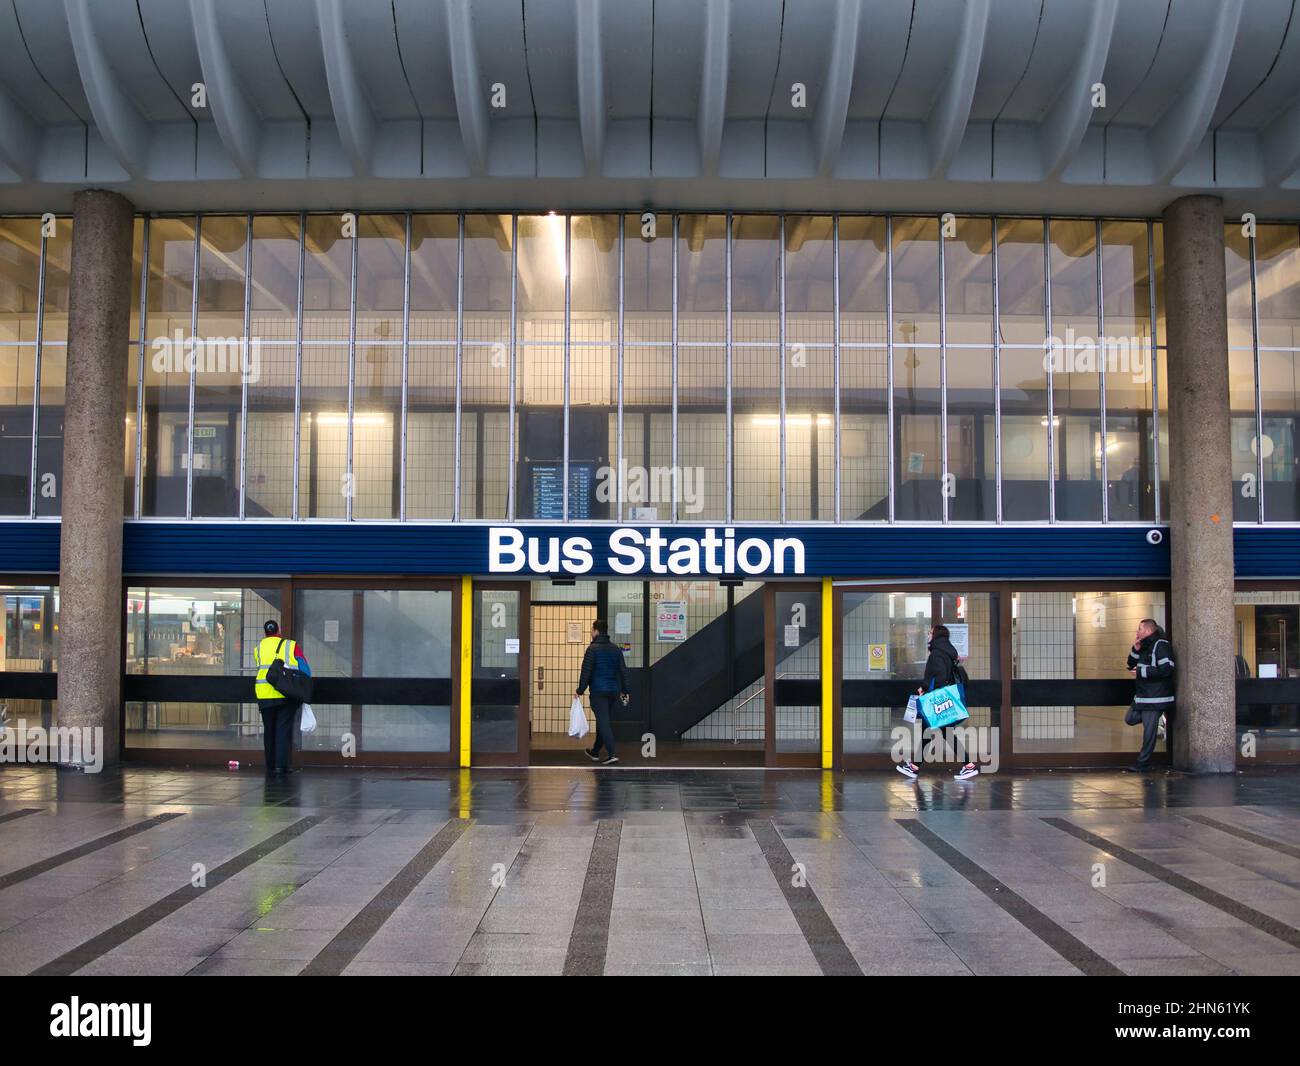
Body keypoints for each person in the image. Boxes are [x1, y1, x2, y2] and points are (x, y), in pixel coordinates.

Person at [896, 623, 979, 781]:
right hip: (943, 700)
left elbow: (940, 676)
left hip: (938, 701)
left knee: (936, 733)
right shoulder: (947, 652)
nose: (928, 635)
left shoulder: (937, 654)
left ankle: (968, 765)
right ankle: (914, 766)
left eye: (930, 632)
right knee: (935, 733)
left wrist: (926, 690)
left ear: (936, 635)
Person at [254, 619, 311, 777]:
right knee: (283, 730)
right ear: (278, 630)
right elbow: (304, 667)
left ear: (265, 632)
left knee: (269, 730)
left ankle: (270, 765)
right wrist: (303, 685)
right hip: (284, 693)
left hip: (264, 693)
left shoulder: (258, 648)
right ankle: (281, 765)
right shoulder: (290, 645)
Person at [576, 618, 629, 766]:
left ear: (597, 632)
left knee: (604, 722)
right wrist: (625, 690)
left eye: (591, 630)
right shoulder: (615, 649)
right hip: (613, 692)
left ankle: (612, 754)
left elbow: (586, 672)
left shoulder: (592, 649)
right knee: (603, 721)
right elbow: (623, 671)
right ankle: (595, 751)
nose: (590, 633)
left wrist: (580, 690)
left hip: (599, 692)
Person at [1125, 617, 1175, 772]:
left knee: (1149, 731)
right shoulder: (1144, 646)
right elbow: (1131, 664)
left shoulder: (1161, 645)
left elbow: (1167, 668)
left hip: (1155, 697)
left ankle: (1142, 763)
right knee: (1130, 718)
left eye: (1139, 629)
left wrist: (1141, 671)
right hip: (1143, 697)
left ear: (1148, 630)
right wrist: (1135, 649)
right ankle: (1143, 760)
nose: (1137, 632)